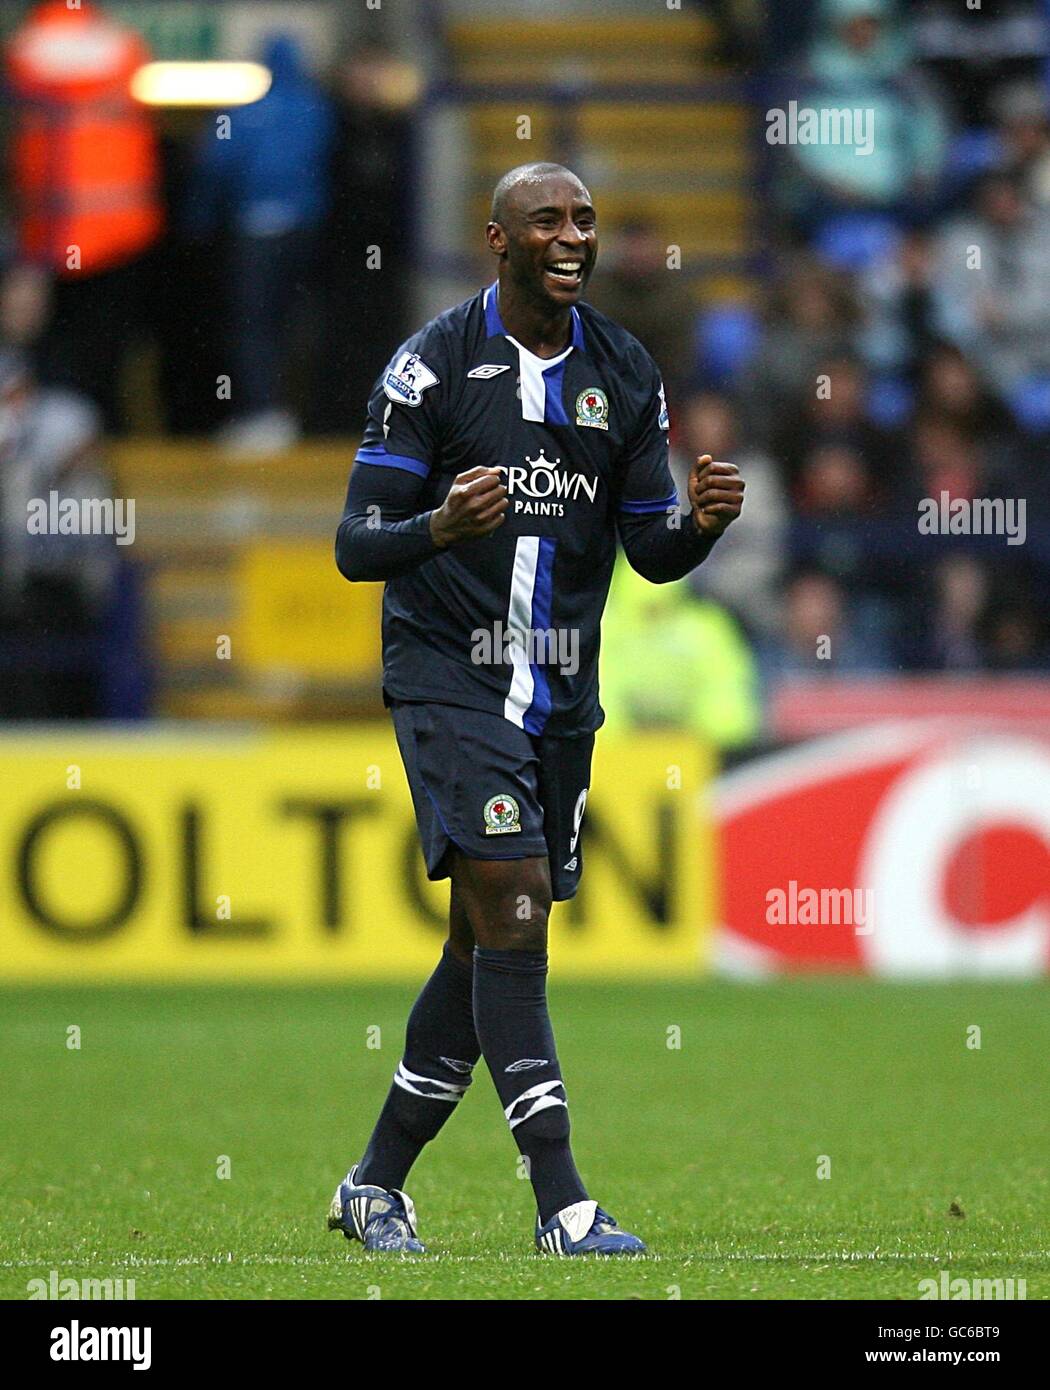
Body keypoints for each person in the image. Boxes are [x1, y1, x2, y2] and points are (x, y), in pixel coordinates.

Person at [331, 162, 744, 1256]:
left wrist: (699, 525)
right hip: (448, 674)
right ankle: (562, 1204)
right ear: (498, 240)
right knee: (513, 907)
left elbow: (649, 550)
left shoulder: (624, 367)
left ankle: (375, 1184)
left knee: (482, 948)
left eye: (585, 220)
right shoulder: (430, 369)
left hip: (558, 695)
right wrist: (439, 529)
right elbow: (353, 543)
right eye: (548, 220)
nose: (573, 236)